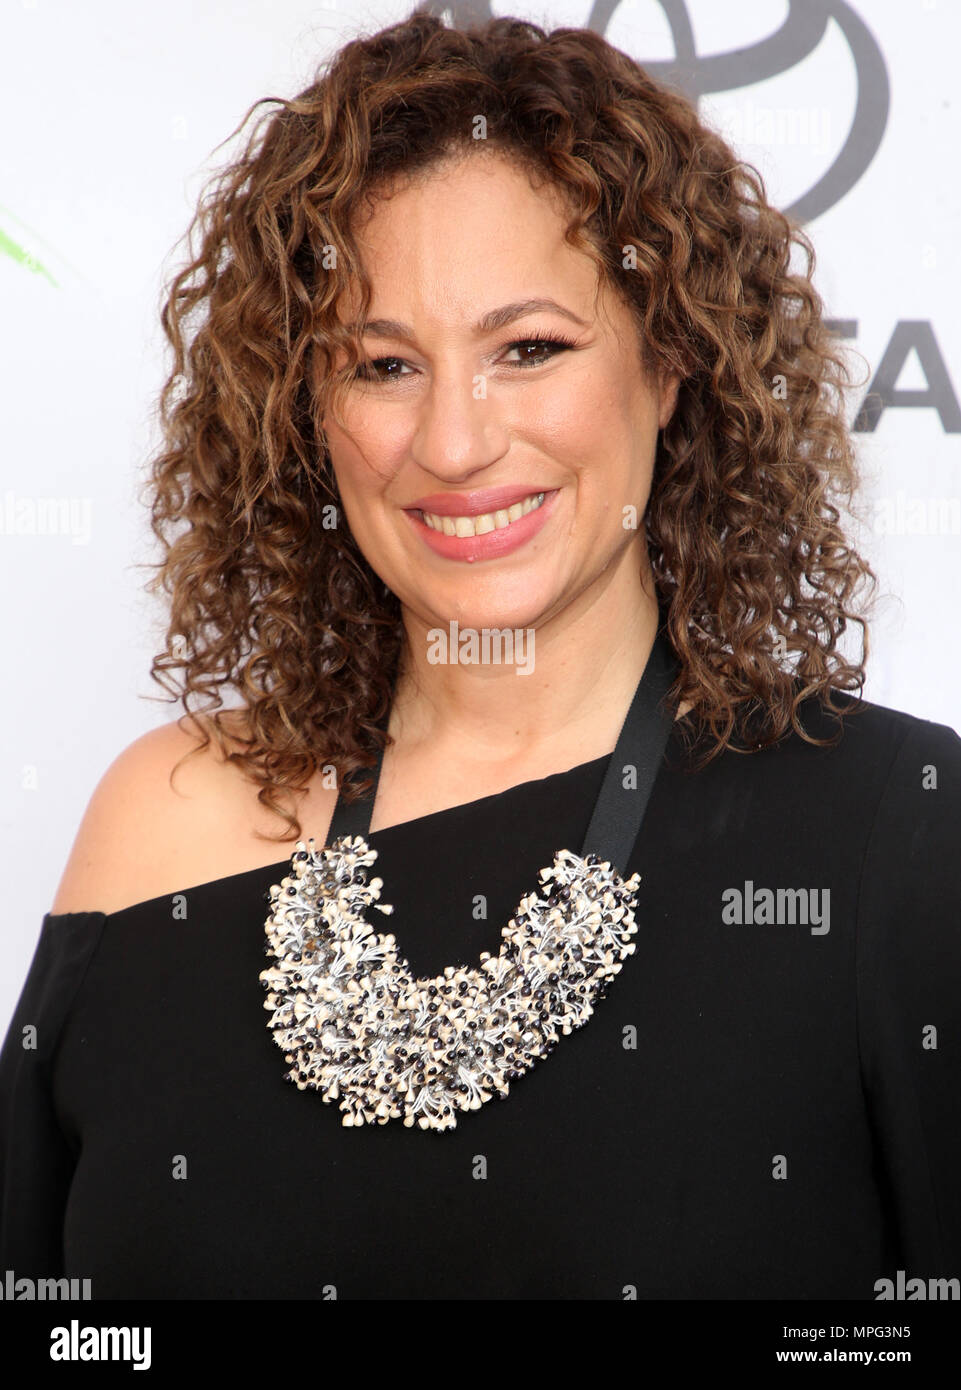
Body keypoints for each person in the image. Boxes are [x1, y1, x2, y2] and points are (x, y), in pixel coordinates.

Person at [1, 7, 958, 1300]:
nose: (452, 442)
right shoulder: (157, 824)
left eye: (528, 349)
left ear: (668, 361)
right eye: (383, 364)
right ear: (307, 407)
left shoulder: (893, 832)